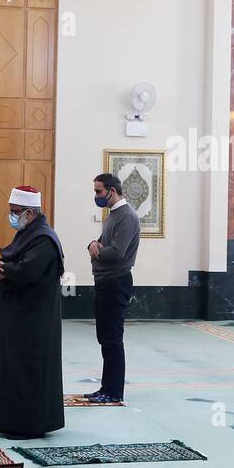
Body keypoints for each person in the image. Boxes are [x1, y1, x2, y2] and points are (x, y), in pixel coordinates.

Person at [0, 186, 65, 440]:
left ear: (30, 213)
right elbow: (11, 260)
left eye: (15, 212)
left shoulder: (44, 239)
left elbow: (26, 272)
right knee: (8, 368)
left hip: (32, 322)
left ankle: (26, 424)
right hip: (17, 316)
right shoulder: (29, 234)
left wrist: (2, 268)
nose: (12, 217)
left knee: (25, 370)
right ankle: (9, 419)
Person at [84, 172, 140, 403]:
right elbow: (98, 243)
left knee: (112, 339)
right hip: (104, 282)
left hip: (116, 283)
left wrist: (97, 251)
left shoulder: (127, 216)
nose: (96, 196)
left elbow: (117, 252)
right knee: (104, 338)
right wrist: (92, 244)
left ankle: (114, 392)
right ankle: (105, 387)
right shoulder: (112, 216)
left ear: (112, 191)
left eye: (98, 191)